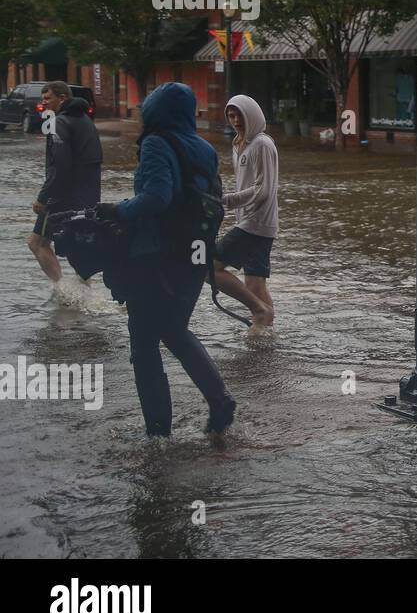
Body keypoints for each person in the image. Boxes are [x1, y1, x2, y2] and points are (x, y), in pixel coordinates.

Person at [96, 82, 236, 437]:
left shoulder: (157, 142)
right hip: (194, 254)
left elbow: (158, 196)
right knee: (173, 330)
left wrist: (117, 210)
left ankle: (158, 435)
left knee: (143, 345)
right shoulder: (204, 147)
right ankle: (219, 400)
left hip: (156, 256)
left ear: (156, 111)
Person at [29, 81, 102, 291]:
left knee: (37, 242)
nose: (44, 103)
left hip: (62, 195)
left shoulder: (58, 122)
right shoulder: (85, 120)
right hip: (88, 195)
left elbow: (59, 166)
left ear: (62, 98)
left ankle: (62, 291)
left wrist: (43, 197)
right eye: (42, 99)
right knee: (78, 243)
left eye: (48, 98)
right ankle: (85, 292)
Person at [212, 95, 278, 329]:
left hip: (256, 223)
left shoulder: (262, 144)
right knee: (255, 286)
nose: (236, 121)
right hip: (254, 221)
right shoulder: (239, 143)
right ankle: (265, 334)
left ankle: (260, 313)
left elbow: (263, 189)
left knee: (210, 267)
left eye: (240, 115)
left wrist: (227, 200)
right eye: (231, 116)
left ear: (252, 115)